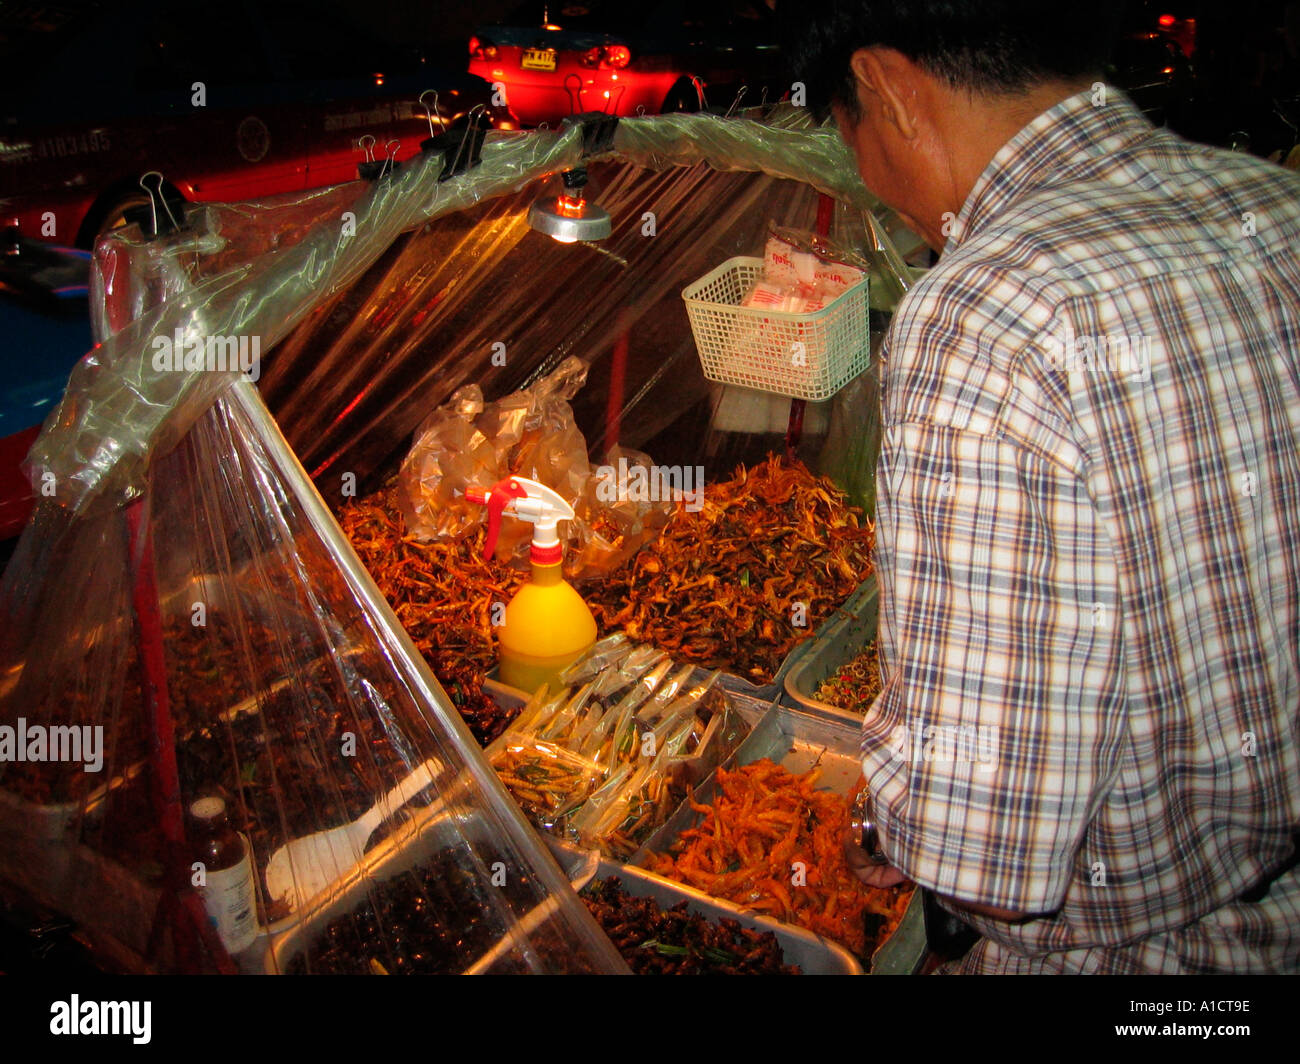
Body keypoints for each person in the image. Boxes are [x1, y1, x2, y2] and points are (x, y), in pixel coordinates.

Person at [786, 0, 1300, 973]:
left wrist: (878, 830)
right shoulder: (1274, 206)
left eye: (847, 134)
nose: (864, 174)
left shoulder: (986, 313)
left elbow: (985, 847)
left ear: (886, 88)